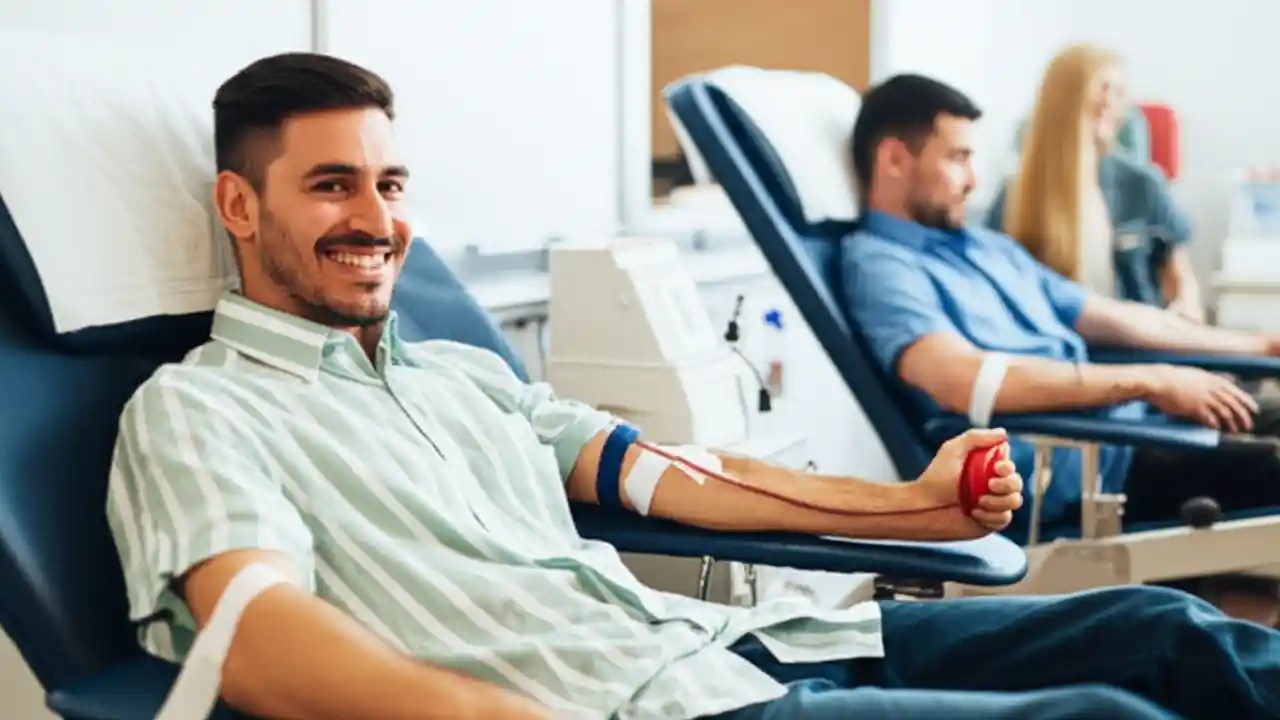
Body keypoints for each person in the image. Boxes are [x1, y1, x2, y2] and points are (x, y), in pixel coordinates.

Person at [105, 52, 1280, 720]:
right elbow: (255, 639)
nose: (376, 219)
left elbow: (676, 475)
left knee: (1170, 634)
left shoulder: (456, 373)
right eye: (330, 186)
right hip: (633, 706)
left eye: (391, 182)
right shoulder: (200, 409)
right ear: (239, 206)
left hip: (733, 642)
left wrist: (909, 507)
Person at [842, 72, 1280, 624]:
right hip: (1089, 465)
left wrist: (1260, 344)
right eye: (957, 158)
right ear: (894, 159)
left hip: (1134, 425)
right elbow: (960, 378)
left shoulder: (984, 246)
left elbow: (1117, 320)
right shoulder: (882, 267)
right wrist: (1151, 380)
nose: (973, 180)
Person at [984, 44, 1205, 321]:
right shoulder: (1016, 195)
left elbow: (1180, 276)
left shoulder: (1141, 184)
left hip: (1135, 341)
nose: (1110, 102)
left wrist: (1187, 310)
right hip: (1054, 344)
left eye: (1119, 92)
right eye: (1102, 87)